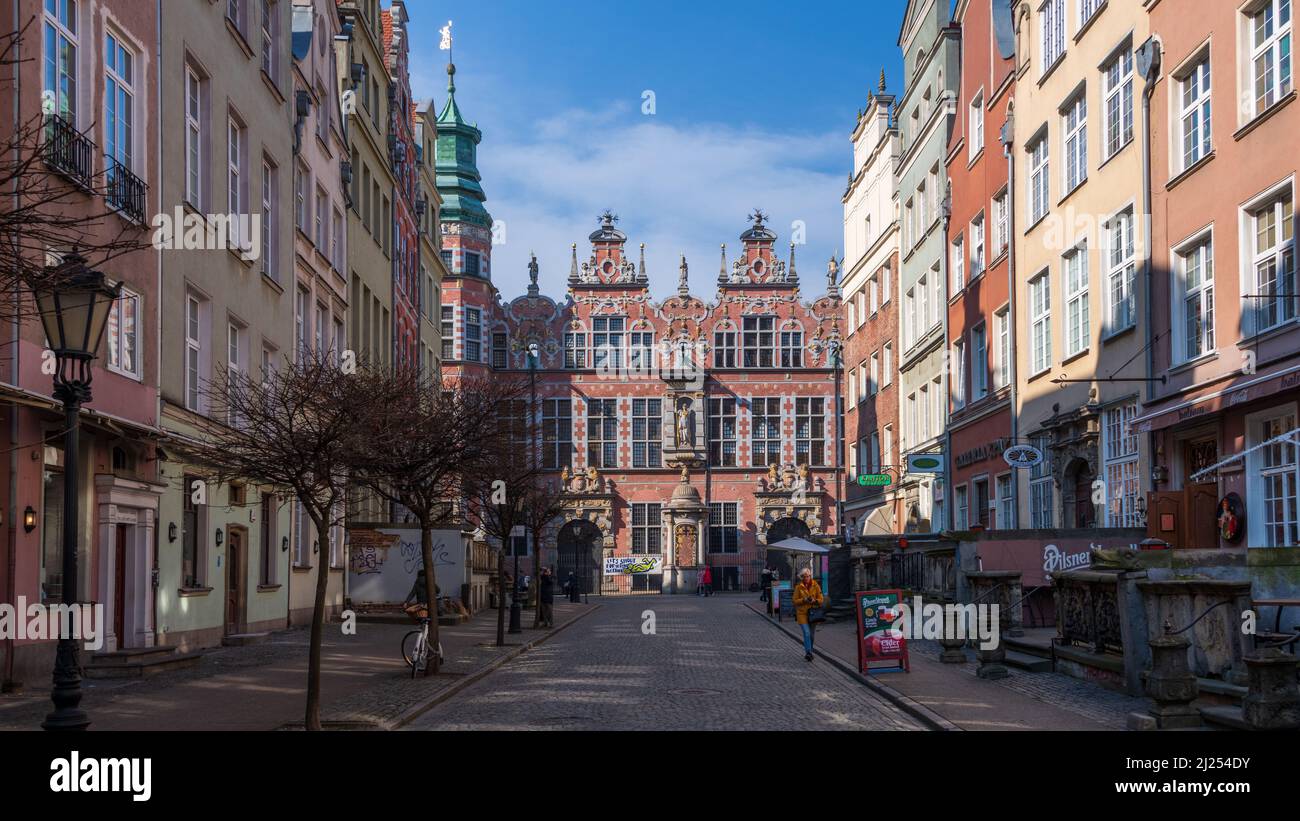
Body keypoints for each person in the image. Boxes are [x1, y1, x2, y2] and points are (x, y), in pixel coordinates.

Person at [792, 567, 824, 662]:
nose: (806, 578)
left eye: (808, 576)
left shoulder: (816, 585)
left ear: (810, 576)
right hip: (802, 614)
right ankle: (808, 652)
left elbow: (821, 600)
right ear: (802, 577)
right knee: (806, 633)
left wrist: (815, 600)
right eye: (804, 576)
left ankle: (810, 651)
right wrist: (804, 600)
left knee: (811, 636)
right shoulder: (798, 587)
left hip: (813, 613)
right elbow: (794, 601)